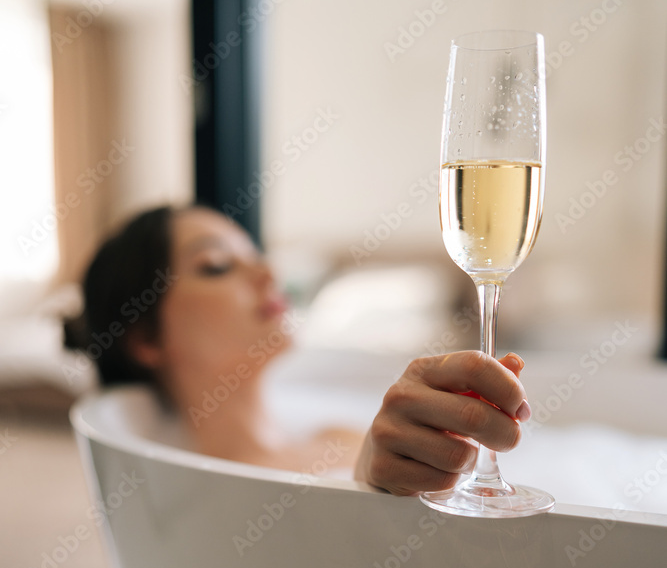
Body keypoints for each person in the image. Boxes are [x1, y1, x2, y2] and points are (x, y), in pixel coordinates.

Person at [63, 204, 531, 496]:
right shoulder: (203, 496)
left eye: (256, 255)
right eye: (217, 265)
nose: (268, 274)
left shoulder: (335, 436)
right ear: (146, 340)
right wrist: (374, 479)